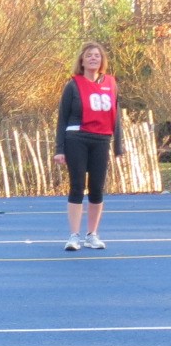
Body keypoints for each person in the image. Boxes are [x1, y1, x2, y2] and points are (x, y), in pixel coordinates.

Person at [54, 41, 125, 251]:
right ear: (82, 61)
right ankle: (73, 235)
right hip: (77, 138)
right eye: (89, 55)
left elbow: (116, 117)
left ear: (102, 60)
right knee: (77, 186)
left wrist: (118, 146)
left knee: (97, 188)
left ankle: (92, 234)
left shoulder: (111, 84)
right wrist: (59, 149)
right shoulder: (73, 85)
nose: (93, 58)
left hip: (101, 140)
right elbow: (62, 118)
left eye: (97, 55)